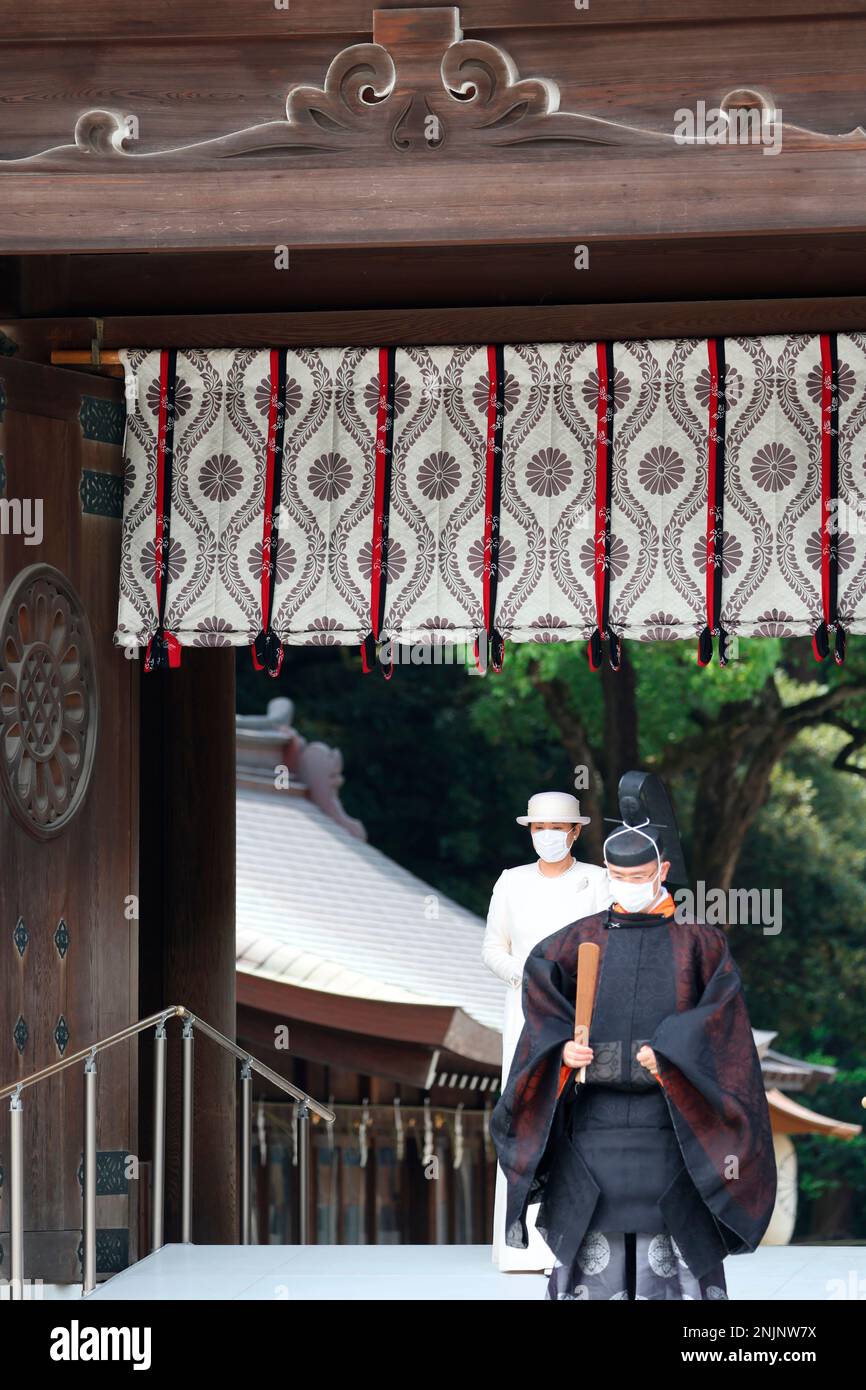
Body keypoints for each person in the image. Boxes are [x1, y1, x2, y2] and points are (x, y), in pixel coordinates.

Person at [490, 773, 777, 1301]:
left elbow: (723, 1022)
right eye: (619, 876)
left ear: (661, 871)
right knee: (591, 1264)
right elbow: (540, 1004)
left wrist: (671, 1052)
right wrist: (560, 1052)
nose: (629, 883)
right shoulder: (576, 941)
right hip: (593, 1129)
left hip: (673, 1128)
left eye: (640, 874)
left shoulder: (700, 944)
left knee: (674, 1263)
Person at [482, 790, 612, 1272]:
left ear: (576, 831)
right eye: (539, 829)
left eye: (557, 828)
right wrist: (529, 974)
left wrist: (574, 986)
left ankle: (575, 1246)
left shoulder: (597, 880)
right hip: (525, 1011)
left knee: (577, 1113)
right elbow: (492, 947)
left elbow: (608, 941)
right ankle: (519, 1247)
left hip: (583, 1011)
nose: (548, 837)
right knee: (526, 1109)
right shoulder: (510, 882)